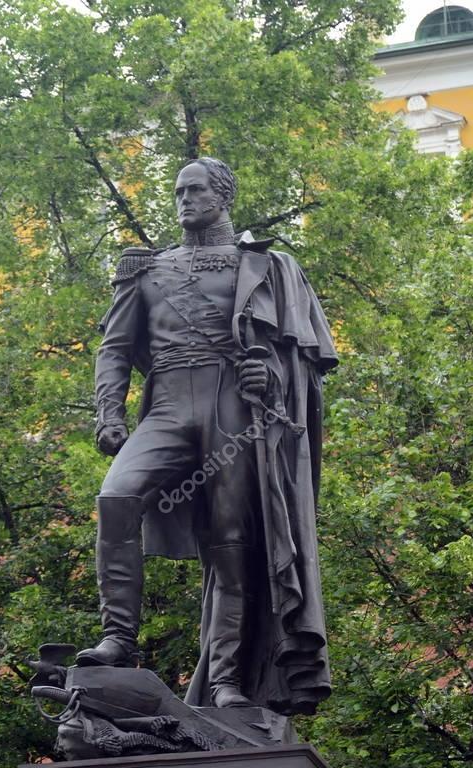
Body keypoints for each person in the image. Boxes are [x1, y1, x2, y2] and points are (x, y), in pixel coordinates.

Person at [76, 157, 338, 715]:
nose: (183, 201)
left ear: (223, 195)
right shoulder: (146, 270)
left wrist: (268, 374)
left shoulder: (266, 265)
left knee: (231, 543)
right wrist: (109, 413)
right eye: (177, 192)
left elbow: (302, 360)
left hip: (233, 412)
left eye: (194, 191)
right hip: (167, 405)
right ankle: (118, 640)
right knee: (116, 498)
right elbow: (115, 349)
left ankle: (226, 681)